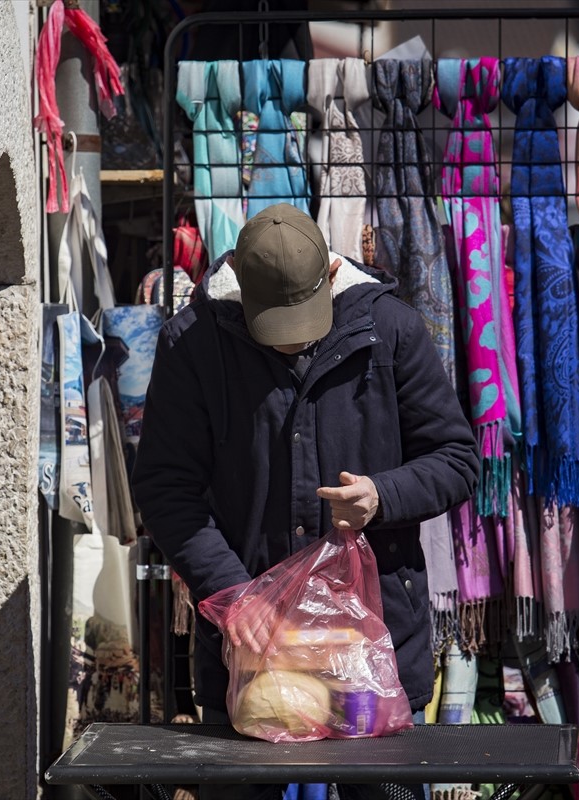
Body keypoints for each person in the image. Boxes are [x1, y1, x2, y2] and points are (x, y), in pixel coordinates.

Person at [131, 204, 479, 800]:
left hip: (371, 651)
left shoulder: (390, 330)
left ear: (331, 270)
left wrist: (382, 495)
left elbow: (456, 459)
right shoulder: (193, 344)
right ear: (238, 278)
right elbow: (165, 488)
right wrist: (235, 598)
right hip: (248, 653)